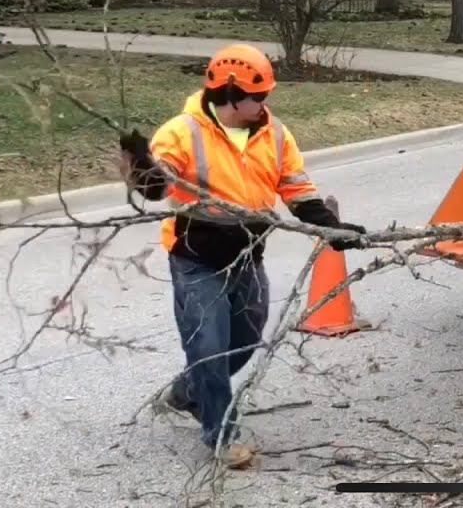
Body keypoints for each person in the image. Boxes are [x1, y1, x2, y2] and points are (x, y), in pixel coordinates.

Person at [117, 43, 368, 467]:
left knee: (247, 339)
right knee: (209, 347)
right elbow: (158, 187)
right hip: (196, 256)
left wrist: (329, 226)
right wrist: (141, 169)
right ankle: (219, 434)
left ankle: (187, 392)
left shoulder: (274, 132)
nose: (265, 103)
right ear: (230, 94)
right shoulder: (182, 132)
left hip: (249, 253)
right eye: (258, 96)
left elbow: (296, 187)